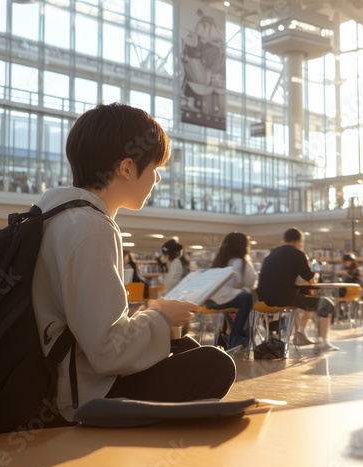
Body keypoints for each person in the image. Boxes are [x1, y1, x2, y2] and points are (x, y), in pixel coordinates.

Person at [32, 102, 235, 422]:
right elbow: (106, 351)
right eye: (155, 167)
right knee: (216, 365)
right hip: (80, 398)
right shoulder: (91, 228)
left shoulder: (53, 215)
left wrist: (158, 321)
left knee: (185, 348)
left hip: (55, 381)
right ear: (127, 168)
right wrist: (161, 317)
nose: (157, 178)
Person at [257, 228, 338, 353]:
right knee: (326, 303)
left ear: (284, 240)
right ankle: (323, 342)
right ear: (299, 241)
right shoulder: (297, 254)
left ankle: (300, 334)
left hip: (262, 299)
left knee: (307, 296)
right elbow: (311, 279)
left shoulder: (271, 254)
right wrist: (316, 274)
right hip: (283, 298)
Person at [206, 232, 257, 350]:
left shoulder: (218, 261)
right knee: (249, 299)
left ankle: (231, 336)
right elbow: (250, 282)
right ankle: (235, 337)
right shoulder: (240, 262)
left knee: (242, 302)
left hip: (211, 301)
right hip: (227, 299)